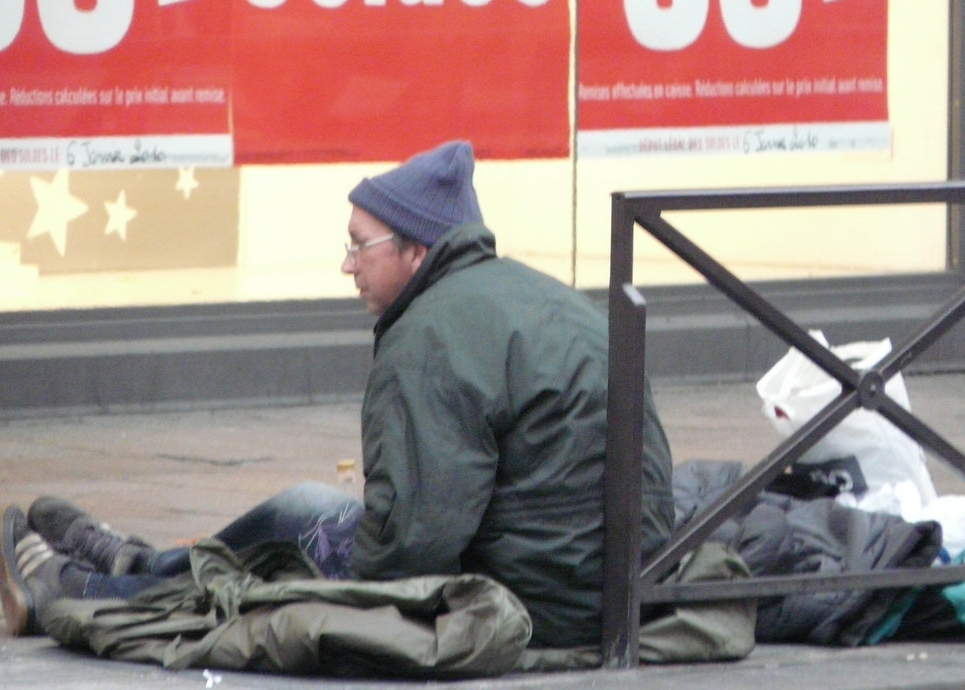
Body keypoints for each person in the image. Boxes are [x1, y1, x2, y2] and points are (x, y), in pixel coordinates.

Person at [1, 140, 674, 648]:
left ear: (416, 250)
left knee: (303, 522)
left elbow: (411, 548)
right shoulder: (543, 297)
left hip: (527, 604)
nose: (347, 265)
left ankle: (94, 586)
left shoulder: (430, 336)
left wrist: (328, 575)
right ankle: (136, 560)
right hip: (615, 589)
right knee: (313, 519)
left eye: (359, 246)